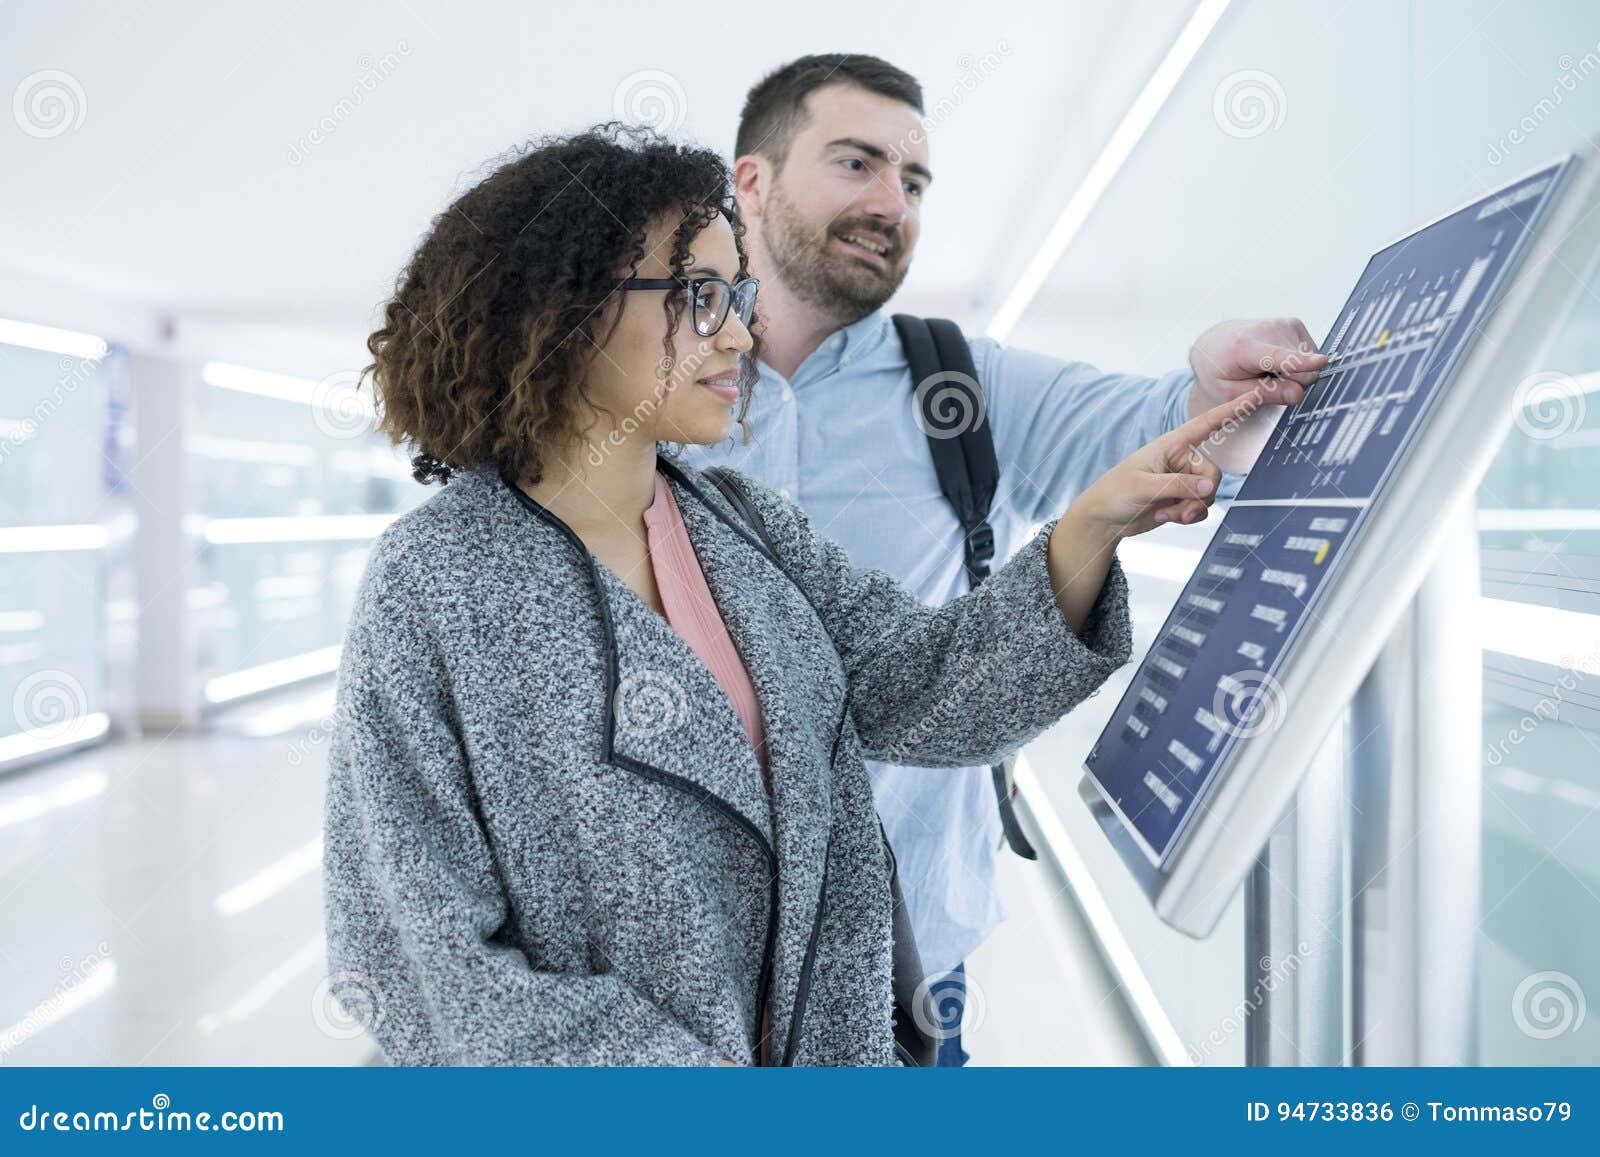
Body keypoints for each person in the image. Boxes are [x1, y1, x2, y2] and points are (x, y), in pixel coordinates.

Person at [320, 124, 1259, 1066]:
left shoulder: (741, 526)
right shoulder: (436, 581)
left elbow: (923, 688)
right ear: (561, 313)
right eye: (699, 298)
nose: (737, 330)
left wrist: (1091, 525)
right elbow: (418, 963)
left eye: (739, 296)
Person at [685, 54, 1327, 1064]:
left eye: (913, 181)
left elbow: (1166, 429)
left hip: (901, 951)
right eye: (855, 162)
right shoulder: (646, 377)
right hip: (677, 955)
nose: (888, 202)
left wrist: (1212, 384)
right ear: (751, 181)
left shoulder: (959, 384)